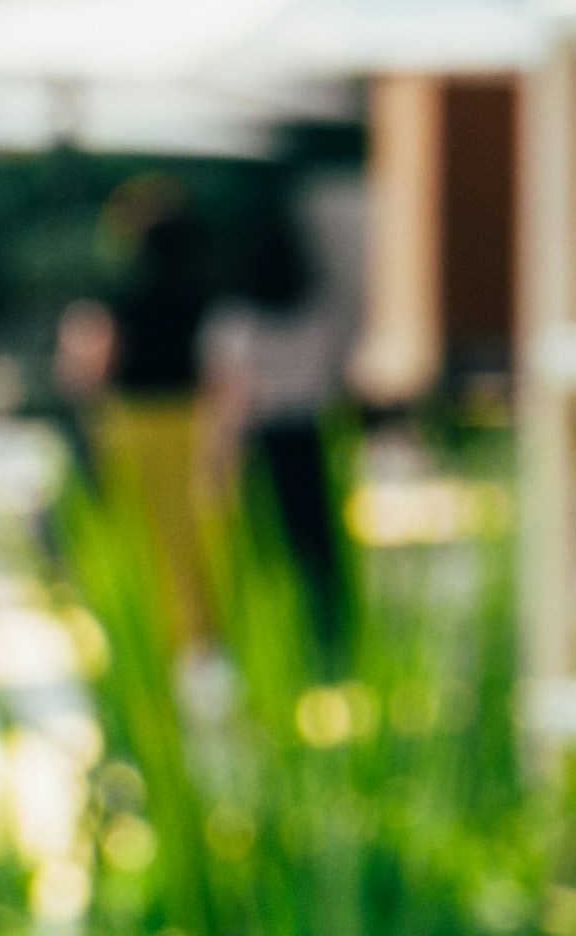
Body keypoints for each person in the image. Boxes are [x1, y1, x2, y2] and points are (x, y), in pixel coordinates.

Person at [62, 175, 221, 651]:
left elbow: (89, 375)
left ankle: (147, 632)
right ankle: (195, 631)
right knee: (192, 537)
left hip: (133, 426)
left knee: (140, 536)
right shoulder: (205, 297)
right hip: (191, 423)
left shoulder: (119, 300)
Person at [206, 170, 360, 653]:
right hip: (309, 439)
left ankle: (275, 649)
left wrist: (217, 464)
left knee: (265, 555)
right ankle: (329, 644)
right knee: (317, 554)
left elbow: (231, 402)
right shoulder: (317, 313)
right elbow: (338, 380)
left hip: (262, 444)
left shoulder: (234, 321)